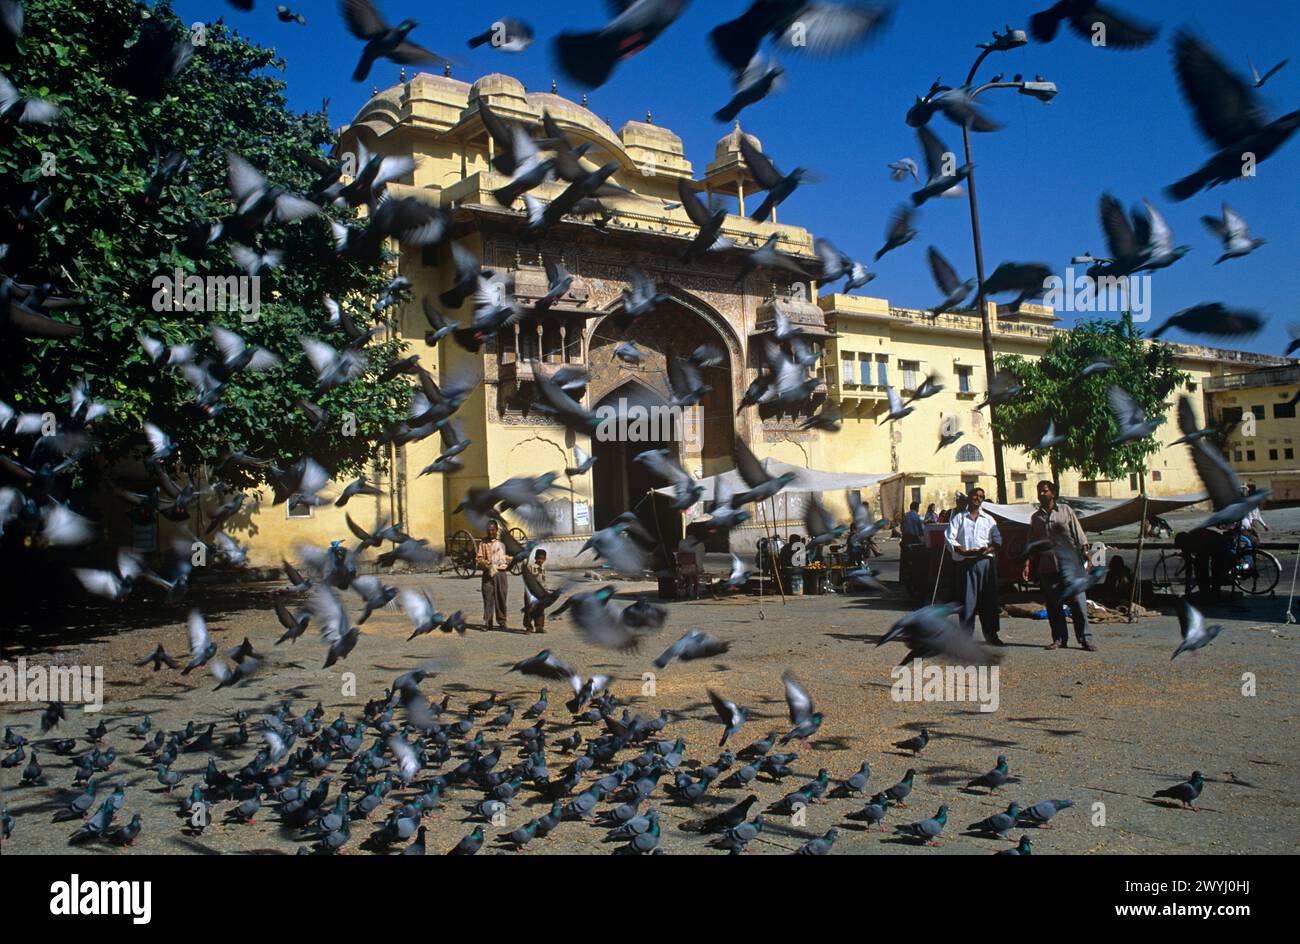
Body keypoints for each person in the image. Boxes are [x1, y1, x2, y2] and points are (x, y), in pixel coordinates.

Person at [1024, 480, 1095, 651]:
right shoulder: (1036, 518)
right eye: (1039, 491)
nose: (1041, 494)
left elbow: (1079, 534)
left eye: (1045, 491)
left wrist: (1087, 554)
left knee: (1078, 602)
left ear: (1053, 493)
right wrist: (1027, 563)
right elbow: (1032, 543)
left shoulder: (1065, 511)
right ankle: (1059, 639)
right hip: (1048, 565)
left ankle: (1085, 639)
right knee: (1054, 604)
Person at [944, 486, 1004, 645]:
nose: (978, 498)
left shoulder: (989, 520)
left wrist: (987, 550)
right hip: (966, 563)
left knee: (989, 600)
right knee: (967, 601)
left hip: (985, 564)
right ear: (969, 497)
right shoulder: (959, 518)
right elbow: (949, 538)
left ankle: (992, 635)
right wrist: (960, 550)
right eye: (975, 495)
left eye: (981, 496)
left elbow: (997, 541)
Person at [476, 519, 510, 630]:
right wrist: (487, 563)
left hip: (500, 572)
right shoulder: (483, 543)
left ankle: (502, 621)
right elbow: (479, 558)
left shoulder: (503, 542)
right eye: (489, 530)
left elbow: (511, 556)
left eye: (493, 530)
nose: (491, 532)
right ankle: (487, 622)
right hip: (488, 572)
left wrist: (507, 560)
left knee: (501, 597)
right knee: (487, 597)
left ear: (496, 530)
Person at [522, 548, 548, 633]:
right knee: (530, 609)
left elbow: (543, 581)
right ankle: (528, 626)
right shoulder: (531, 567)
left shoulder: (543, 568)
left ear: (545, 559)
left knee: (540, 609)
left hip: (540, 592)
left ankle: (539, 626)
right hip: (530, 592)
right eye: (539, 558)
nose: (540, 560)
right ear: (535, 558)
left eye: (542, 559)